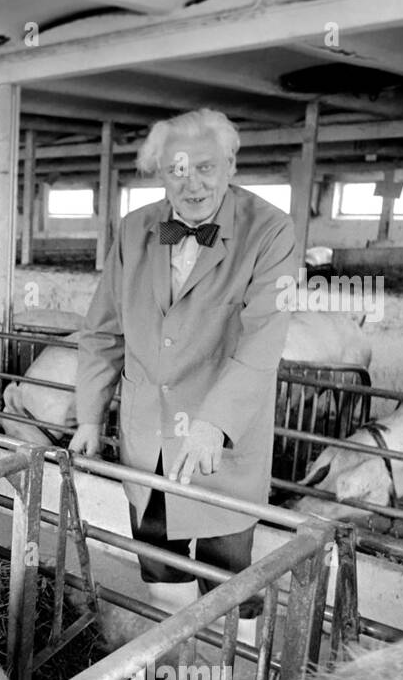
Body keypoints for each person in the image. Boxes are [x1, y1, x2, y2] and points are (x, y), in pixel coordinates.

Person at [70, 109, 298, 620]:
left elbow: (263, 339)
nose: (191, 183)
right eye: (176, 169)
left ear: (231, 164)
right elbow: (104, 329)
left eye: (205, 167)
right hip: (147, 438)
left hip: (222, 445)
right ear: (159, 174)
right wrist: (89, 415)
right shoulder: (134, 230)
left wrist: (214, 424)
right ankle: (173, 671)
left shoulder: (270, 231)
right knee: (158, 564)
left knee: (228, 574)